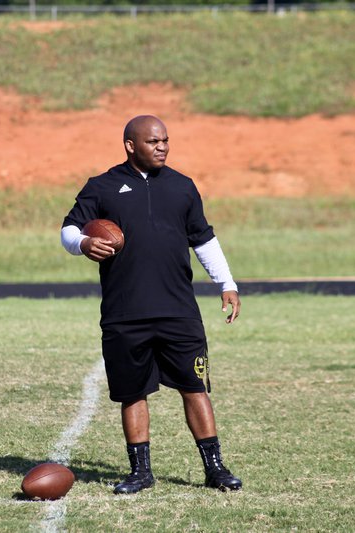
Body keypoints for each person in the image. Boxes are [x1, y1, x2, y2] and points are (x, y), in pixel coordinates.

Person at [61, 115, 242, 494]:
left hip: (178, 311)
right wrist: (82, 244)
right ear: (130, 145)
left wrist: (226, 283)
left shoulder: (182, 186)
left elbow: (204, 239)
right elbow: (69, 229)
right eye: (153, 141)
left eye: (165, 140)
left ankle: (215, 468)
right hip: (124, 313)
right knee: (132, 392)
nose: (162, 147)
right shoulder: (102, 186)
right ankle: (140, 473)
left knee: (195, 387)